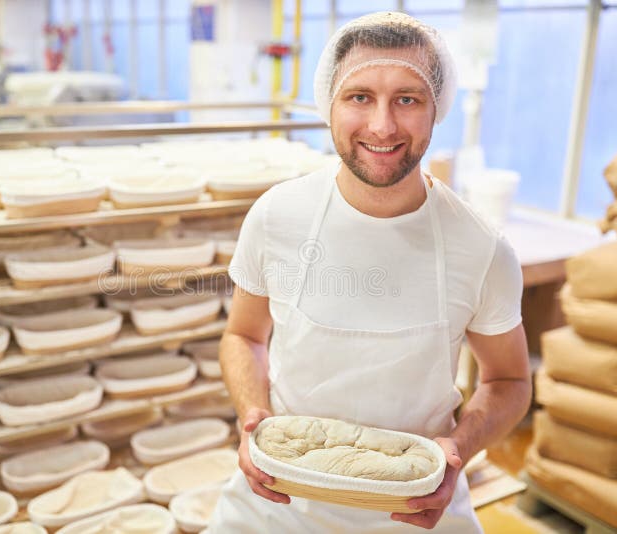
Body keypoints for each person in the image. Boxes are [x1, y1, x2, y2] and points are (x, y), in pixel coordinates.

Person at [207, 11, 531, 534]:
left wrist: (457, 452)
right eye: (360, 97)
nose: (382, 125)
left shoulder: (481, 247)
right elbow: (244, 336)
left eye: (407, 98)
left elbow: (510, 379)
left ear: (436, 110)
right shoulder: (276, 216)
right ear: (329, 105)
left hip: (415, 507)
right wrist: (253, 415)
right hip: (278, 499)